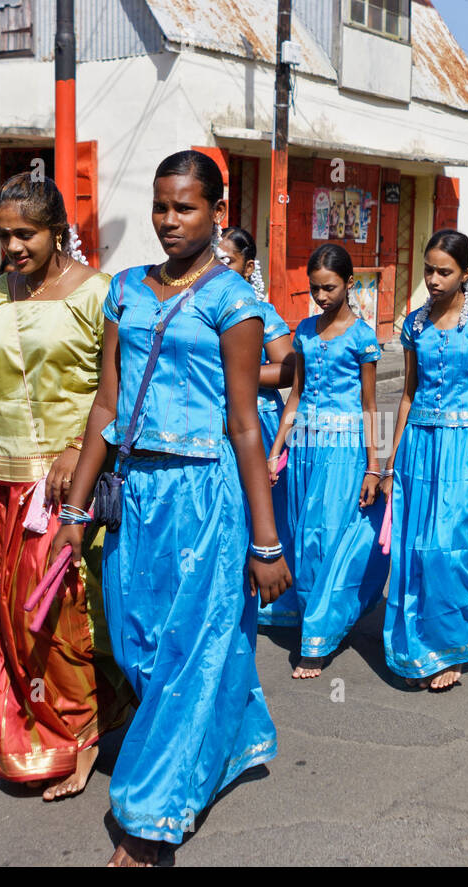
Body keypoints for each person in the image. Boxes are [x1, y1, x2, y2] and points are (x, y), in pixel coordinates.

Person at [50, 150, 290, 866]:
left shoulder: (234, 304)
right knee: (137, 647)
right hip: (138, 498)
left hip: (206, 498)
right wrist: (77, 508)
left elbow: (245, 425)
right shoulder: (124, 291)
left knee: (190, 653)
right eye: (160, 206)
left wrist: (267, 542)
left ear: (218, 213)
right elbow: (106, 404)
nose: (168, 220)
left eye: (185, 207)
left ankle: (153, 819)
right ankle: (220, 739)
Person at [0, 173, 131, 801]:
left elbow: (116, 390)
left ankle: (87, 729)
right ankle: (44, 729)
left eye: (26, 234)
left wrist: (79, 448)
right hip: (4, 479)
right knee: (18, 616)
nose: (13, 247)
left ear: (57, 233)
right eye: (4, 235)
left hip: (70, 482)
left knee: (72, 607)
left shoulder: (100, 295)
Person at [380, 229, 468, 691]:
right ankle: (428, 646)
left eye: (444, 272)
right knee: (415, 550)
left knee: (448, 549)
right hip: (418, 444)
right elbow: (407, 394)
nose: (433, 280)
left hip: (466, 449)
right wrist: (389, 459)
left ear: (465, 274)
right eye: (428, 270)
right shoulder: (413, 325)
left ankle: (455, 642)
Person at [269, 243, 388, 679]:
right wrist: (276, 450)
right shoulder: (302, 330)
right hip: (303, 449)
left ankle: (316, 640)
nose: (320, 297)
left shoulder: (362, 337)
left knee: (327, 538)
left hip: (345, 451)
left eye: (329, 288)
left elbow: (372, 405)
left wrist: (376, 467)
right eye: (314, 289)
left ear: (349, 285)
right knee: (302, 537)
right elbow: (295, 395)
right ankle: (316, 617)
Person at [217, 226, 299, 627]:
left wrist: (240, 374)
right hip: (212, 422)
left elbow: (288, 368)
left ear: (249, 267)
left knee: (259, 509)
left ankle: (269, 593)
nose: (218, 268)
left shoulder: (259, 311)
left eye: (227, 261)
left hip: (257, 421)